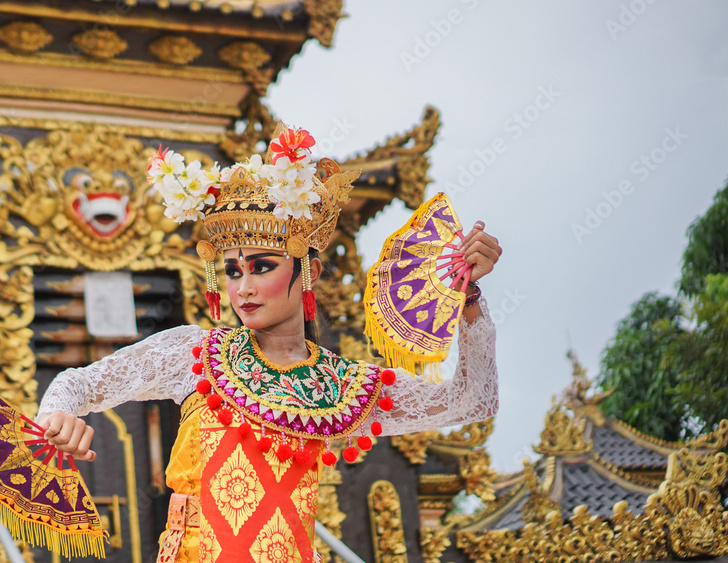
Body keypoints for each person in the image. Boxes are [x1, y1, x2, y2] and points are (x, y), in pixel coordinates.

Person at [36, 126, 501, 562]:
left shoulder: (343, 386)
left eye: (262, 267)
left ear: (309, 271)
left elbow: (472, 401)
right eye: (232, 272)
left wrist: (468, 300)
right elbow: (78, 384)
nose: (244, 289)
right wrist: (58, 414)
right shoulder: (194, 355)